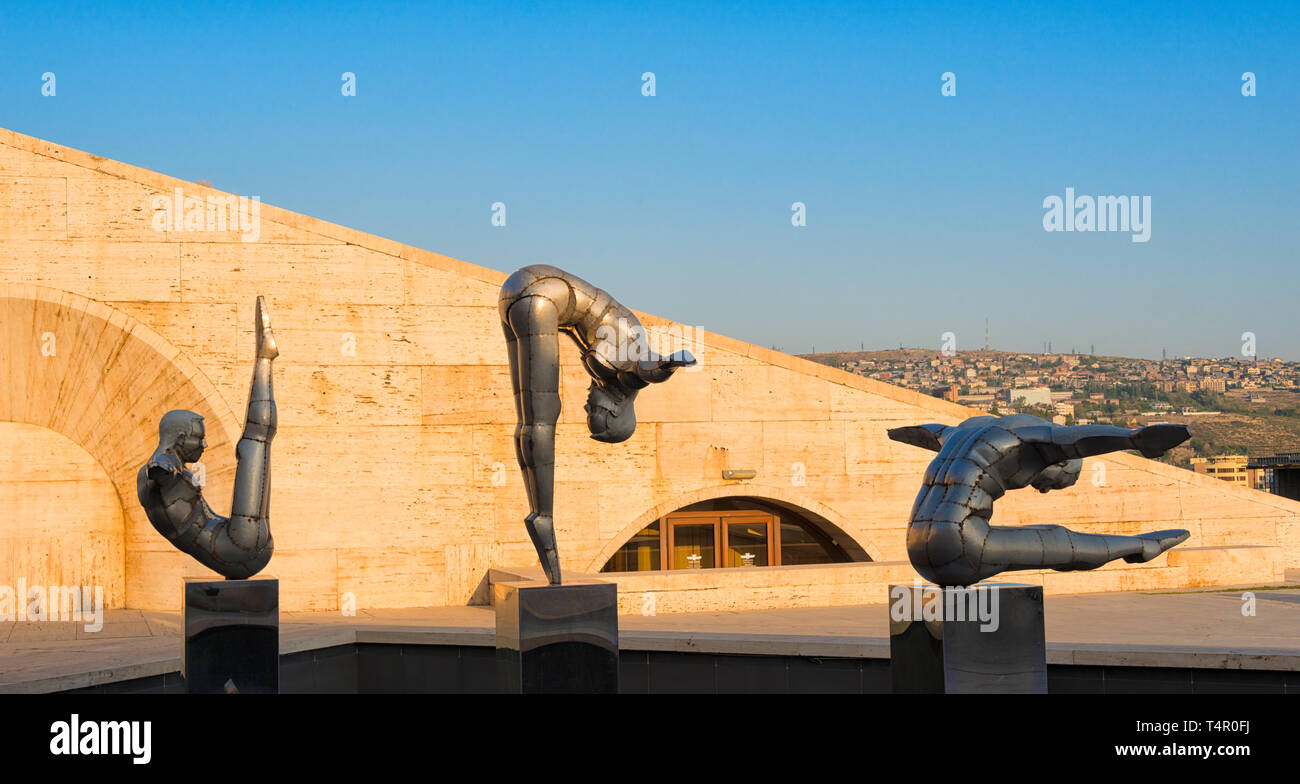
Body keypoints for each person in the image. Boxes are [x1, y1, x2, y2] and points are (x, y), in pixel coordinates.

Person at [499, 265, 695, 584]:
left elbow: (577, 328)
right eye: (596, 416)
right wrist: (673, 363)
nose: (587, 406)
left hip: (517, 290)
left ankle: (542, 519)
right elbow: (652, 366)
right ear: (616, 412)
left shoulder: (610, 373)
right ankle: (543, 517)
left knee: (529, 416)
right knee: (541, 415)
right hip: (541, 293)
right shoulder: (632, 374)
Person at [887, 414, 1191, 586]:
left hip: (916, 543)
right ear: (1054, 461)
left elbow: (927, 431)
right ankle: (1140, 546)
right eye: (1050, 484)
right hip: (958, 546)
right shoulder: (1027, 441)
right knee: (1063, 543)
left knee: (1051, 539)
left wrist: (898, 432)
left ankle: (1138, 545)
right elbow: (1079, 438)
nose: (1042, 489)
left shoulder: (958, 434)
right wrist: (1134, 439)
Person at [137, 296, 278, 579]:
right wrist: (163, 469)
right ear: (178, 437)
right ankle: (264, 361)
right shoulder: (160, 468)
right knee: (254, 443)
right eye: (198, 439)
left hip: (234, 544)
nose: (204, 444)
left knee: (256, 443)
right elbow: (159, 471)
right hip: (237, 549)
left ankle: (264, 360)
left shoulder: (163, 467)